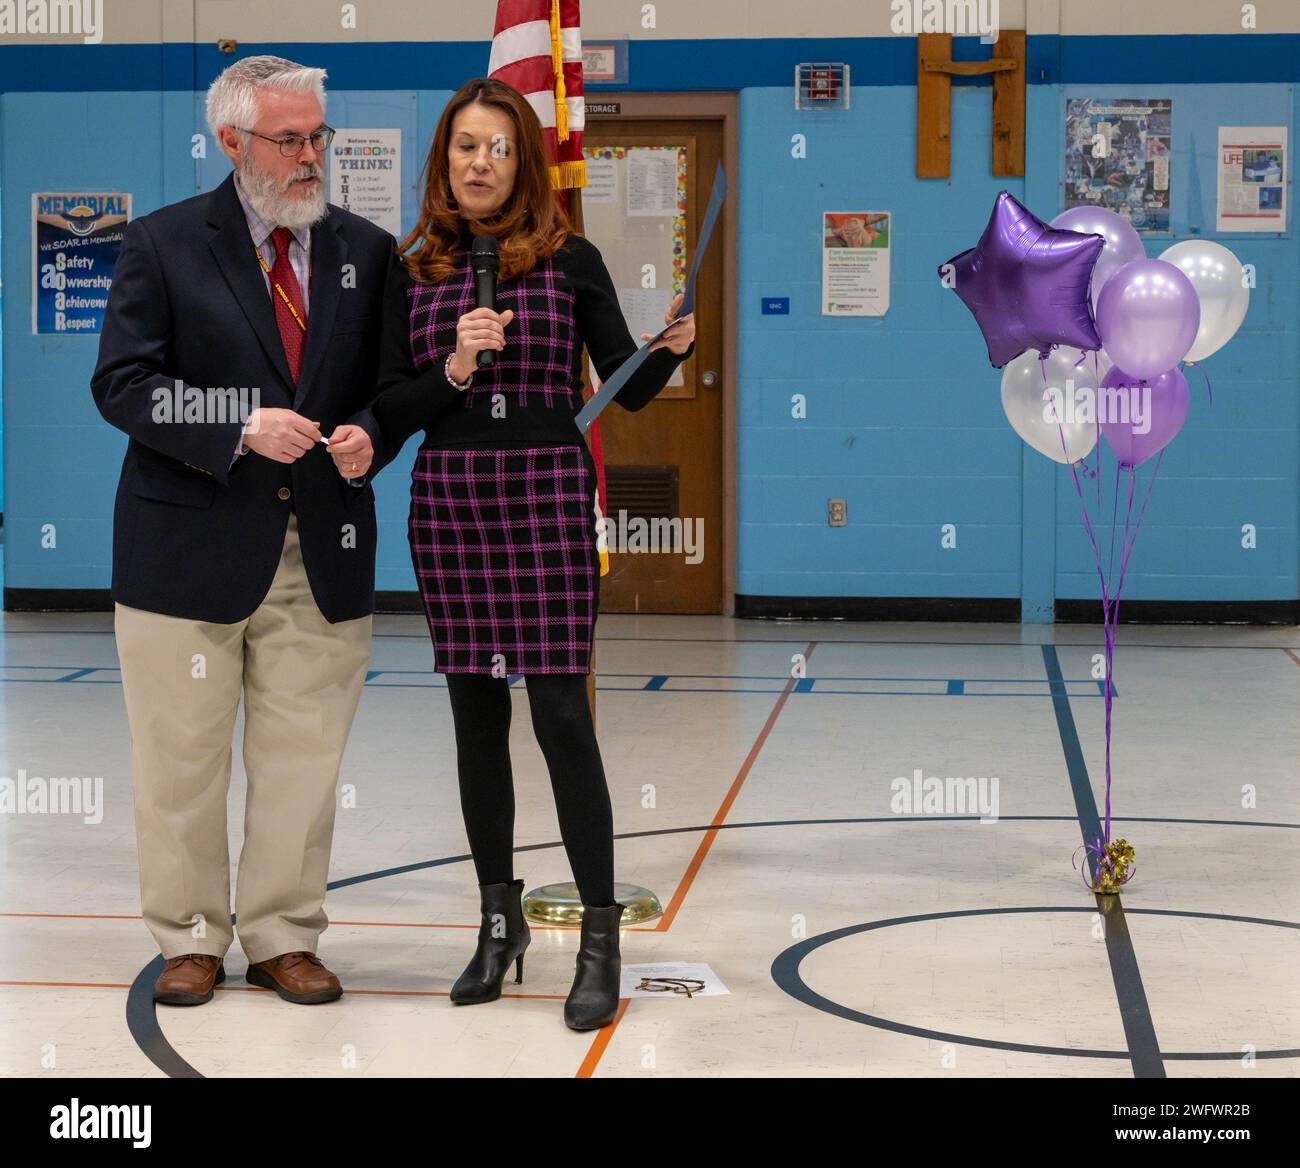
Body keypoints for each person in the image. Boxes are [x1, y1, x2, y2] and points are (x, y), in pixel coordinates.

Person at [364, 77, 696, 1030]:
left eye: (499, 148)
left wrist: (664, 351)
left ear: (524, 164)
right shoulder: (413, 266)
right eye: (466, 147)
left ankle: (599, 938)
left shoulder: (569, 256)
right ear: (445, 161)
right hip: (453, 501)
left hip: (548, 495)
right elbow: (391, 407)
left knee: (560, 717)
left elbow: (625, 390)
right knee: (477, 721)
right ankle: (495, 922)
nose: (481, 163)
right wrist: (456, 369)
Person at [90, 55, 394, 1007]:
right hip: (184, 550)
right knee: (179, 760)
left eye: (319, 138)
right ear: (232, 142)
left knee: (304, 760)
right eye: (289, 140)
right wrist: (238, 423)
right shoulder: (162, 243)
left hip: (323, 548)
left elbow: (391, 386)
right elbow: (123, 385)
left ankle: (281, 935)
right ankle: (187, 939)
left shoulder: (366, 250)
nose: (311, 157)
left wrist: (370, 436)